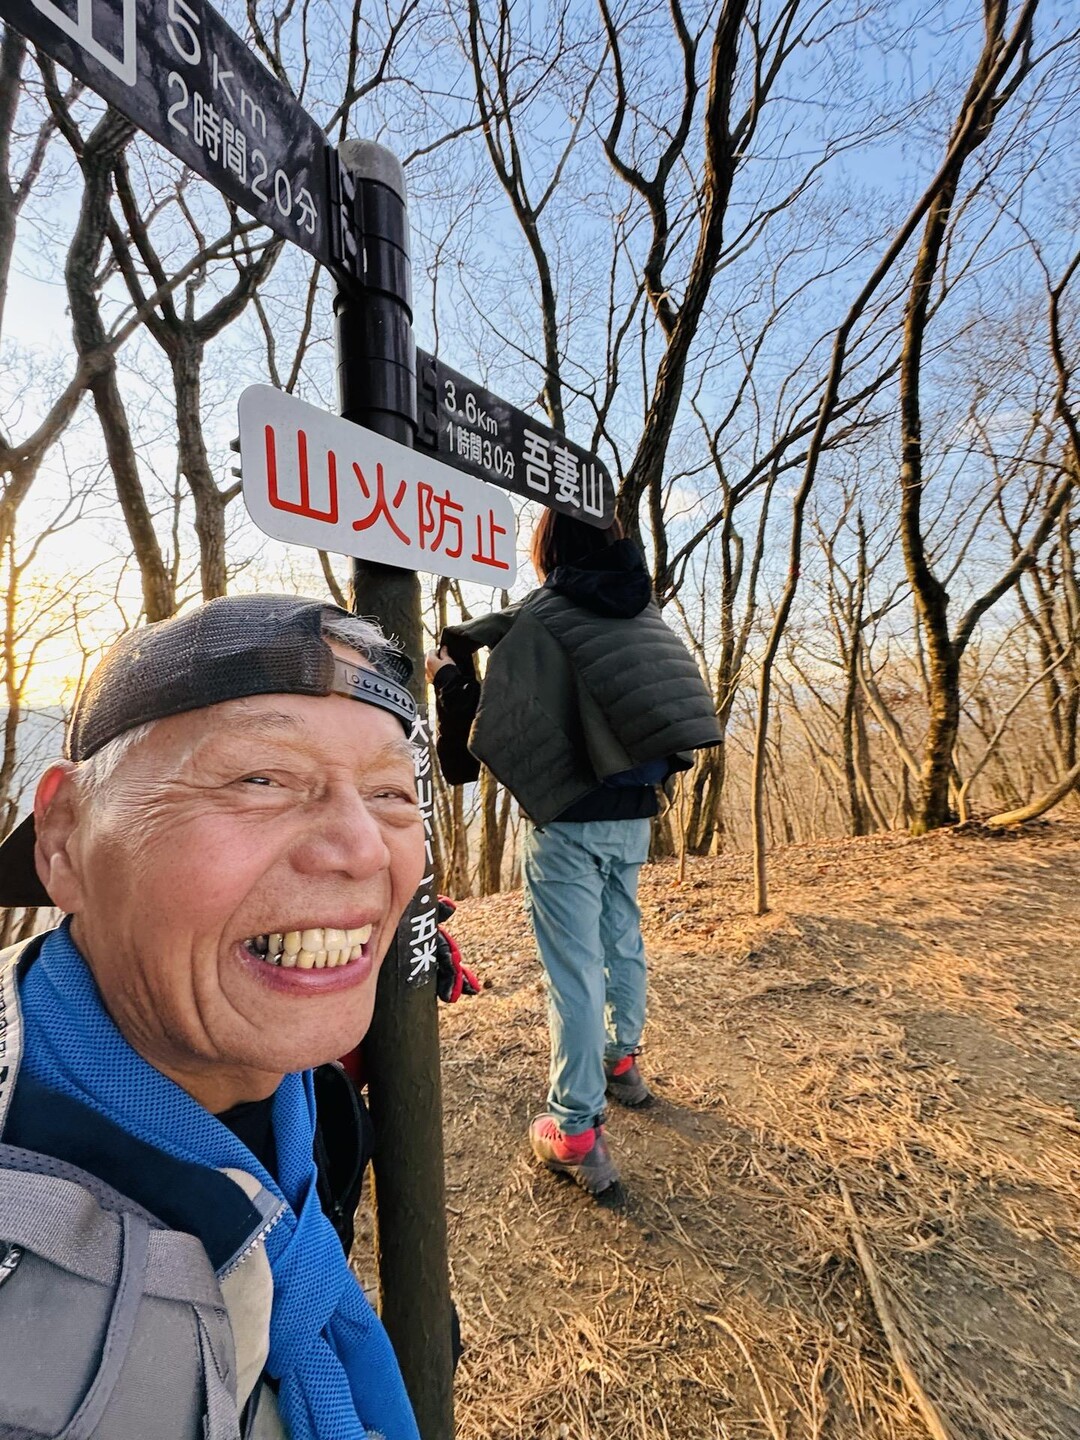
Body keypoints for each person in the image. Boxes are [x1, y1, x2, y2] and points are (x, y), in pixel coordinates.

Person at [0, 595, 431, 1440]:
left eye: (390, 792)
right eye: (260, 778)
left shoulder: (311, 1101)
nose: (363, 849)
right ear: (63, 838)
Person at [426, 513, 720, 1197]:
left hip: (568, 818)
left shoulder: (549, 613)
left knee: (574, 971)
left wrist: (447, 678)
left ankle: (575, 1129)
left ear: (552, 550)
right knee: (622, 940)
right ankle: (623, 1065)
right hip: (635, 813)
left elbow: (484, 731)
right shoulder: (640, 612)